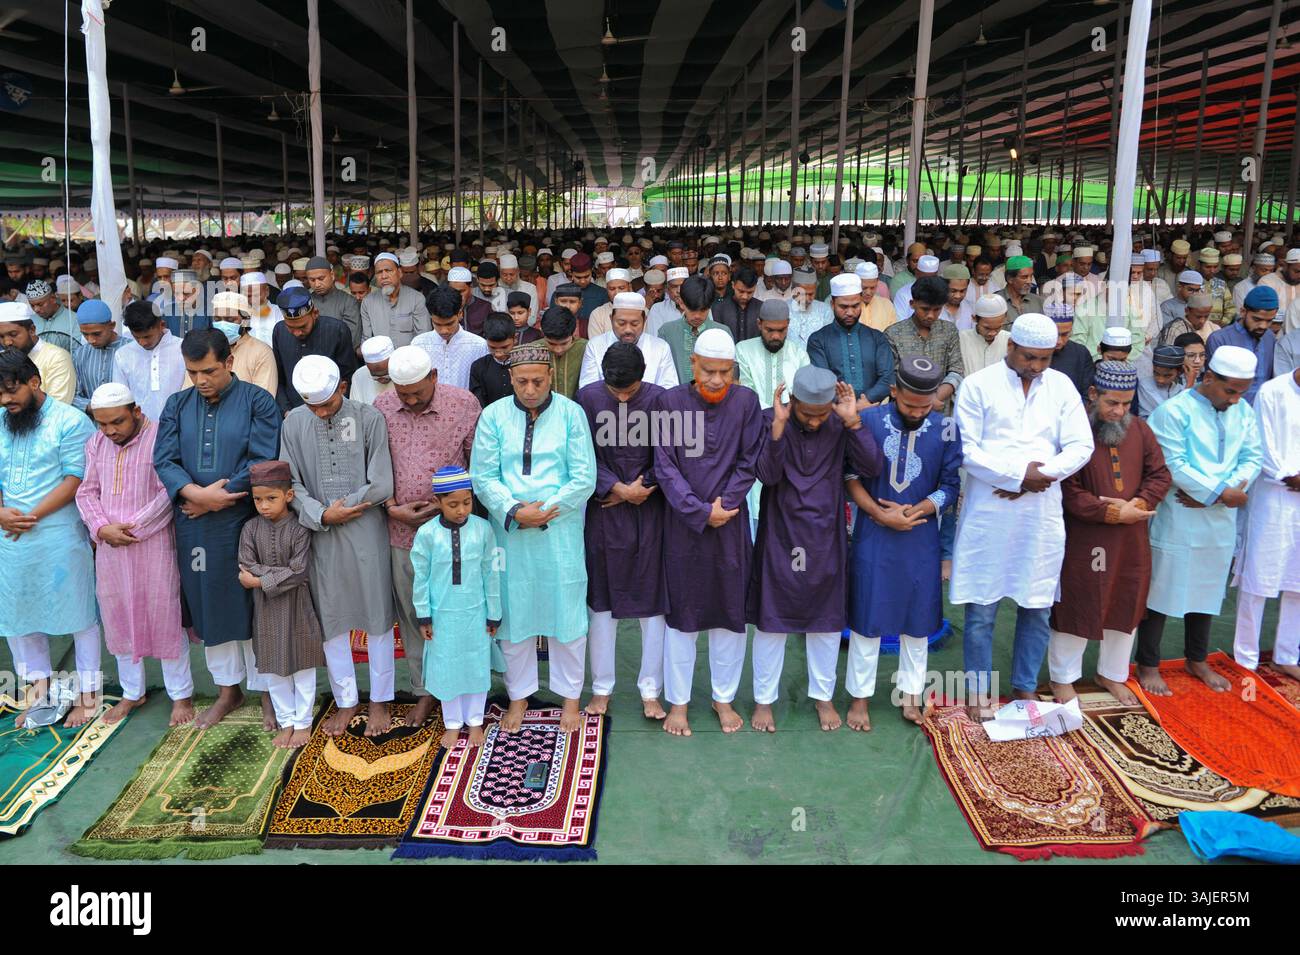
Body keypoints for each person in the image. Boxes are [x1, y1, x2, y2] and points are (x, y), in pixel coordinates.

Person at [950, 313, 1094, 718]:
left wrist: (1039, 477)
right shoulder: (979, 385)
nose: (1036, 366)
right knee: (982, 604)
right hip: (989, 511)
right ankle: (979, 691)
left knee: (1037, 603)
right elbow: (967, 450)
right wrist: (1016, 477)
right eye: (1029, 357)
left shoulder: (1061, 386)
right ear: (1010, 347)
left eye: (1045, 359)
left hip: (1041, 510)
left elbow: (1081, 445)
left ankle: (1025, 687)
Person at [154, 328, 282, 729]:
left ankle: (266, 692)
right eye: (193, 373)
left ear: (229, 362)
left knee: (251, 600)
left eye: (209, 371)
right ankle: (228, 689)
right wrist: (195, 494)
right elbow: (165, 459)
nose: (201, 381)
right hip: (193, 522)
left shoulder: (257, 400)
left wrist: (217, 497)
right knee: (208, 600)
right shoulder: (177, 405)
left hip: (243, 520)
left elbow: (262, 458)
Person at [470, 341, 596, 735]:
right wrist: (513, 510)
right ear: (509, 378)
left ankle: (570, 698)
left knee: (567, 612)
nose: (529, 389)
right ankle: (519, 696)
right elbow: (483, 476)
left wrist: (545, 510)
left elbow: (583, 477)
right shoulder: (492, 416)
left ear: (551, 377)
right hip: (508, 534)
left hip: (559, 529)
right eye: (521, 381)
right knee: (513, 614)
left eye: (537, 381)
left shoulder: (572, 415)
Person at [749, 366, 883, 733]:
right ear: (792, 402)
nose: (814, 420)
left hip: (825, 533)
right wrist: (777, 430)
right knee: (771, 619)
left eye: (821, 414)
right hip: (780, 530)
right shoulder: (770, 419)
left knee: (825, 619)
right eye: (807, 413)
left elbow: (872, 466)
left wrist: (853, 422)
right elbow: (767, 475)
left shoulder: (840, 422)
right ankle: (764, 700)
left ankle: (823, 696)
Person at [655, 328, 765, 737]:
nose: (717, 380)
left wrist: (725, 506)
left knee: (728, 615)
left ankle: (723, 698)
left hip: (730, 527)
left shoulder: (747, 402)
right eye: (709, 371)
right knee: (682, 617)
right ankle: (678, 703)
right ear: (693, 365)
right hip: (684, 528)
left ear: (734, 370)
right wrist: (699, 511)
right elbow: (664, 464)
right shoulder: (670, 402)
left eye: (725, 372)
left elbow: (750, 459)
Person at [280, 355, 397, 737]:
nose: (320, 412)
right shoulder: (294, 423)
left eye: (327, 404)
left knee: (376, 614)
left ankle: (380, 700)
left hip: (366, 529)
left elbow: (382, 482)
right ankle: (346, 701)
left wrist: (345, 508)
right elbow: (291, 483)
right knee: (330, 618)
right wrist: (320, 514)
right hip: (320, 532)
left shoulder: (369, 418)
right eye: (312, 405)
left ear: (342, 388)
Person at [1140, 345, 1262, 695]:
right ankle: (1148, 663)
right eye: (1230, 391)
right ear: (1208, 378)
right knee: (1161, 591)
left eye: (1242, 391)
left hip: (1219, 516)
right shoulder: (1173, 411)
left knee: (1208, 590)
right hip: (1179, 514)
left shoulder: (1243, 411)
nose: (1237, 399)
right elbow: (1174, 464)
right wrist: (1221, 493)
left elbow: (1253, 456)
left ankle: (1197, 659)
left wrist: (1222, 494)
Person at [846, 357, 960, 729]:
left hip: (920, 534)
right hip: (874, 533)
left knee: (918, 617)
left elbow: (950, 486)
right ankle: (859, 699)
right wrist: (880, 516)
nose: (916, 413)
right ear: (893, 392)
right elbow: (849, 477)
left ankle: (911, 696)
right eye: (909, 405)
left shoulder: (945, 429)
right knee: (868, 614)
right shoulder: (870, 421)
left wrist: (920, 509)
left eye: (924, 407)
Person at [1047, 362, 1171, 705]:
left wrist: (1138, 504)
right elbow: (1068, 490)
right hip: (1087, 538)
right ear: (1093, 395)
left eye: (1126, 404)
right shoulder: (1074, 432)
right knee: (1079, 602)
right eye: (1111, 403)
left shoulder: (1141, 431)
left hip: (1131, 539)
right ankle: (1063, 678)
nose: (1119, 411)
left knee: (1125, 602)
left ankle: (1112, 674)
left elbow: (1160, 474)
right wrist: (1112, 511)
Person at [76, 382, 195, 726]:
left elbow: (167, 491)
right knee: (118, 615)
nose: (110, 431)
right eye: (103, 424)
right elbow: (87, 492)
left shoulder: (161, 437)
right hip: (111, 548)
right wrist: (101, 529)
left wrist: (132, 528)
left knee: (164, 614)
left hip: (154, 543)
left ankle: (181, 694)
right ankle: (132, 693)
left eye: (117, 422)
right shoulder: (96, 443)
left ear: (137, 413)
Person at [376, 345, 479, 728]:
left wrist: (447, 508)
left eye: (418, 392)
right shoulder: (383, 407)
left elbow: (477, 463)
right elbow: (374, 462)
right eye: (404, 394)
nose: (411, 400)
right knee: (416, 614)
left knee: (457, 611)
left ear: (434, 376)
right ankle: (424, 691)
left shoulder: (464, 404)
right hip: (400, 531)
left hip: (454, 528)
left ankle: (462, 686)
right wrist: (390, 506)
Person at [0, 350, 101, 728]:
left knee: (78, 614)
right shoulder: (1, 419)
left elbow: (75, 479)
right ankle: (39, 695)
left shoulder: (70, 421)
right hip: (9, 537)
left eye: (12, 391)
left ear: (34, 382)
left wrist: (30, 516)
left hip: (59, 533)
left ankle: (88, 697)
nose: (7, 401)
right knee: (17, 616)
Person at [577, 343, 670, 720]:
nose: (622, 397)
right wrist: (616, 488)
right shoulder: (586, 398)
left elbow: (671, 453)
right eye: (616, 391)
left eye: (630, 391)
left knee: (654, 606)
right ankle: (602, 688)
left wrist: (642, 486)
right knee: (602, 605)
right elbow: (581, 454)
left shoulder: (663, 399)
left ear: (643, 376)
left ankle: (651, 689)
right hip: (605, 513)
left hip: (651, 512)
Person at [237, 459, 326, 749]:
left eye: (271, 498)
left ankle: (303, 723)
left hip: (298, 607)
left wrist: (260, 581)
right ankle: (286, 721)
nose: (264, 506)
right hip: (266, 611)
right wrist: (274, 575)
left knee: (302, 665)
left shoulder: (300, 529)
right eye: (258, 499)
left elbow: (299, 570)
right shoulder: (250, 529)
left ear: (288, 496)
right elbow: (246, 563)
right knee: (274, 668)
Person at [412, 465, 501, 749]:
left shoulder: (483, 529)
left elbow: (491, 573)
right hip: (442, 616)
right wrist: (423, 614)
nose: (461, 510)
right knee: (446, 666)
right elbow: (421, 579)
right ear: (437, 503)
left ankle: (475, 721)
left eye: (466, 502)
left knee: (476, 665)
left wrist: (494, 613)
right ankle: (452, 723)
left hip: (476, 612)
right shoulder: (426, 534)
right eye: (452, 504)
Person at [1232, 365, 1300, 677]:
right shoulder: (1273, 391)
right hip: (1274, 496)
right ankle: (1245, 658)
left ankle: (1287, 655)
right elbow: (1263, 449)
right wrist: (1289, 476)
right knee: (1258, 578)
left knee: (1298, 582)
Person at [808, 273, 895, 406]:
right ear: (832, 304)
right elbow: (821, 382)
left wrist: (867, 401)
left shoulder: (877, 337)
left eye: (855, 306)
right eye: (843, 307)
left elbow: (887, 377)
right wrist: (847, 405)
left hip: (871, 410)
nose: (850, 312)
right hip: (834, 415)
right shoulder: (818, 340)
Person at [272, 286, 357, 412]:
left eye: (302, 326)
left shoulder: (337, 330)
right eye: (290, 327)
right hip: (293, 411)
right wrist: (286, 411)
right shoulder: (279, 331)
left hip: (331, 410)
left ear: (315, 313)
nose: (297, 333)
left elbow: (347, 377)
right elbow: (279, 378)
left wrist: (335, 409)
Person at [884, 275, 964, 410]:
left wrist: (936, 397)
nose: (931, 315)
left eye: (937, 309)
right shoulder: (893, 334)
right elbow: (891, 377)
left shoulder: (949, 331)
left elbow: (956, 370)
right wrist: (922, 401)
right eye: (925, 309)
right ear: (912, 304)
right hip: (905, 410)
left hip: (940, 409)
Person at [578, 291, 677, 389]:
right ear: (611, 319)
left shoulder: (660, 347)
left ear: (645, 320)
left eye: (634, 324)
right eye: (621, 323)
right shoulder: (595, 345)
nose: (628, 330)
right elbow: (588, 389)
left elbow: (668, 388)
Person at [112, 300, 187, 422]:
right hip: (141, 430)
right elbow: (121, 397)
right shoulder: (123, 355)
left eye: (147, 336)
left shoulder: (183, 349)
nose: (142, 342)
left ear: (162, 325)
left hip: (180, 424)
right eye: (136, 337)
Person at [1205, 285, 1278, 405]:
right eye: (1257, 319)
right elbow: (1215, 386)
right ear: (1243, 312)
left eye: (1269, 321)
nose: (1263, 326)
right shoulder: (1219, 339)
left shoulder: (1270, 337)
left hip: (1264, 409)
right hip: (1229, 409)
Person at [657, 274, 730, 386]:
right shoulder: (666, 332)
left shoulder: (723, 333)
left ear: (710, 306)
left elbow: (729, 374)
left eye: (703, 310)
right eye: (692, 310)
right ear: (681, 303)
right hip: (676, 399)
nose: (697, 316)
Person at [413, 285, 489, 392]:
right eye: (437, 324)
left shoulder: (479, 346)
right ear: (430, 316)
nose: (444, 330)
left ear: (460, 314)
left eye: (449, 324)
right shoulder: (419, 344)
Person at [0, 301, 76, 405]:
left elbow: (57, 407)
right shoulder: (3, 359)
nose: (7, 342)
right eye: (1, 337)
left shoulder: (57, 358)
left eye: (13, 334)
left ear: (32, 330)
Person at [361, 252, 431, 348]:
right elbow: (367, 339)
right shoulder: (368, 302)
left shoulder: (416, 298)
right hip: (381, 361)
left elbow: (424, 337)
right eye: (379, 272)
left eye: (388, 270)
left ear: (399, 273)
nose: (384, 276)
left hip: (409, 359)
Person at [71, 300, 126, 412]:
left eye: (97, 334)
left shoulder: (130, 349)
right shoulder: (80, 354)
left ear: (112, 325)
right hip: (93, 424)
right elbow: (72, 395)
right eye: (85, 334)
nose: (91, 340)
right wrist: (93, 407)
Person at [306, 255, 362, 348]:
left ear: (332, 275)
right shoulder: (307, 302)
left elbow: (352, 339)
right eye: (312, 280)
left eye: (321, 278)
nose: (317, 284)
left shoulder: (348, 301)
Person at [469, 313, 517, 407]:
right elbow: (477, 402)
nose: (498, 353)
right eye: (492, 347)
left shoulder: (524, 365)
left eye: (504, 347)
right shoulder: (478, 367)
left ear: (515, 339)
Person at [958, 295, 1010, 375]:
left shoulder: (1010, 340)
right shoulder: (961, 339)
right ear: (974, 318)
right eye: (987, 328)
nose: (992, 333)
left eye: (998, 328)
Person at [350, 335, 397, 405]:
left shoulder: (405, 373)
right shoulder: (359, 376)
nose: (382, 380)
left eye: (386, 374)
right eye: (375, 376)